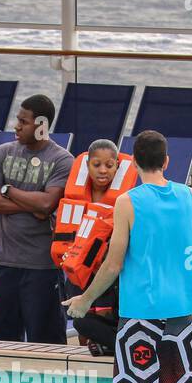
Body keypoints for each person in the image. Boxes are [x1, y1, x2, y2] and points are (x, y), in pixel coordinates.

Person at [65, 130, 192, 383]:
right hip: (180, 308)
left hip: (141, 310)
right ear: (166, 161)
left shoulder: (127, 202)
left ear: (133, 163)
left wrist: (84, 299)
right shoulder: (187, 196)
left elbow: (114, 264)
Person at [0, 94, 74, 344]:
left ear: (41, 125)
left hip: (42, 268)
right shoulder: (3, 152)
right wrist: (31, 205)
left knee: (46, 341)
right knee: (2, 341)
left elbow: (46, 203)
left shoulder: (62, 160)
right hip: (2, 263)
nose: (16, 126)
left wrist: (8, 190)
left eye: (23, 121)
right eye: (17, 120)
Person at [64, 139, 124, 355]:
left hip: (108, 273)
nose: (103, 170)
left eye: (109, 165)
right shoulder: (74, 195)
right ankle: (86, 352)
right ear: (87, 165)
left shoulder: (126, 199)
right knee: (81, 319)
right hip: (80, 269)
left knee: (105, 315)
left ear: (118, 166)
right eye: (96, 164)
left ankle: (107, 348)